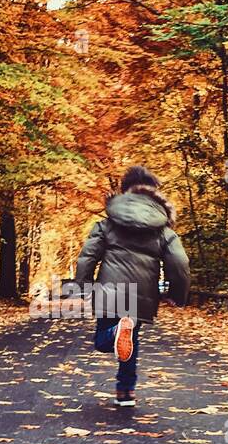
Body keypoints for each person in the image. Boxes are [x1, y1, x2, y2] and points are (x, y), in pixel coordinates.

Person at [73, 165, 190, 407]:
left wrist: (83, 287)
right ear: (153, 193)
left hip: (109, 292)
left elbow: (87, 256)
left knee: (103, 340)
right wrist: (176, 294)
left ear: (125, 191)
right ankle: (125, 391)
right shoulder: (162, 229)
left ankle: (116, 333)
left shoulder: (107, 224)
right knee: (131, 337)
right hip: (142, 294)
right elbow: (180, 262)